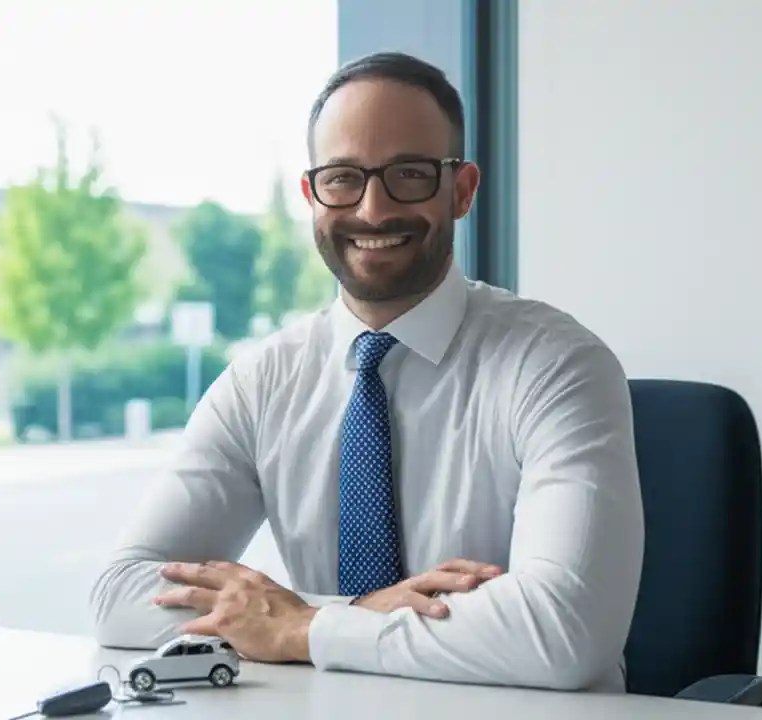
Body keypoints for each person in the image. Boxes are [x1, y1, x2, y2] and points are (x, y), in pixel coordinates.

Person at [89, 51, 644, 693]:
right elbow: (119, 597)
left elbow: (561, 633)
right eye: (343, 178)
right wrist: (348, 616)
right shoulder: (263, 382)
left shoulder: (558, 367)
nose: (374, 210)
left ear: (461, 190)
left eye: (408, 174)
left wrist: (300, 628)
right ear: (311, 195)